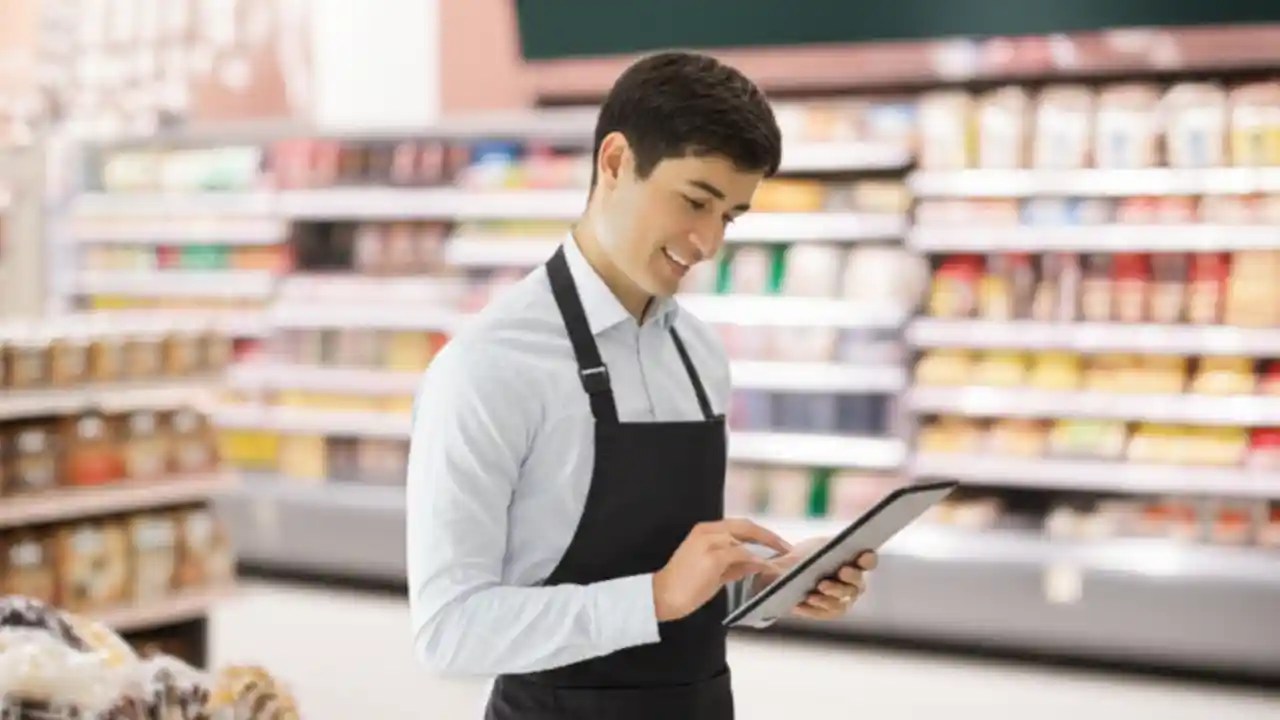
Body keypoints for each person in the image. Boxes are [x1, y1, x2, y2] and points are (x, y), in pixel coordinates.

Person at [406, 50, 878, 719]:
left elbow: (678, 592)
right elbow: (446, 632)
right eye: (695, 201)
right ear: (615, 162)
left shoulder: (699, 353)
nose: (709, 242)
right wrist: (655, 595)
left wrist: (771, 582)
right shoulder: (488, 366)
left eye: (731, 217)